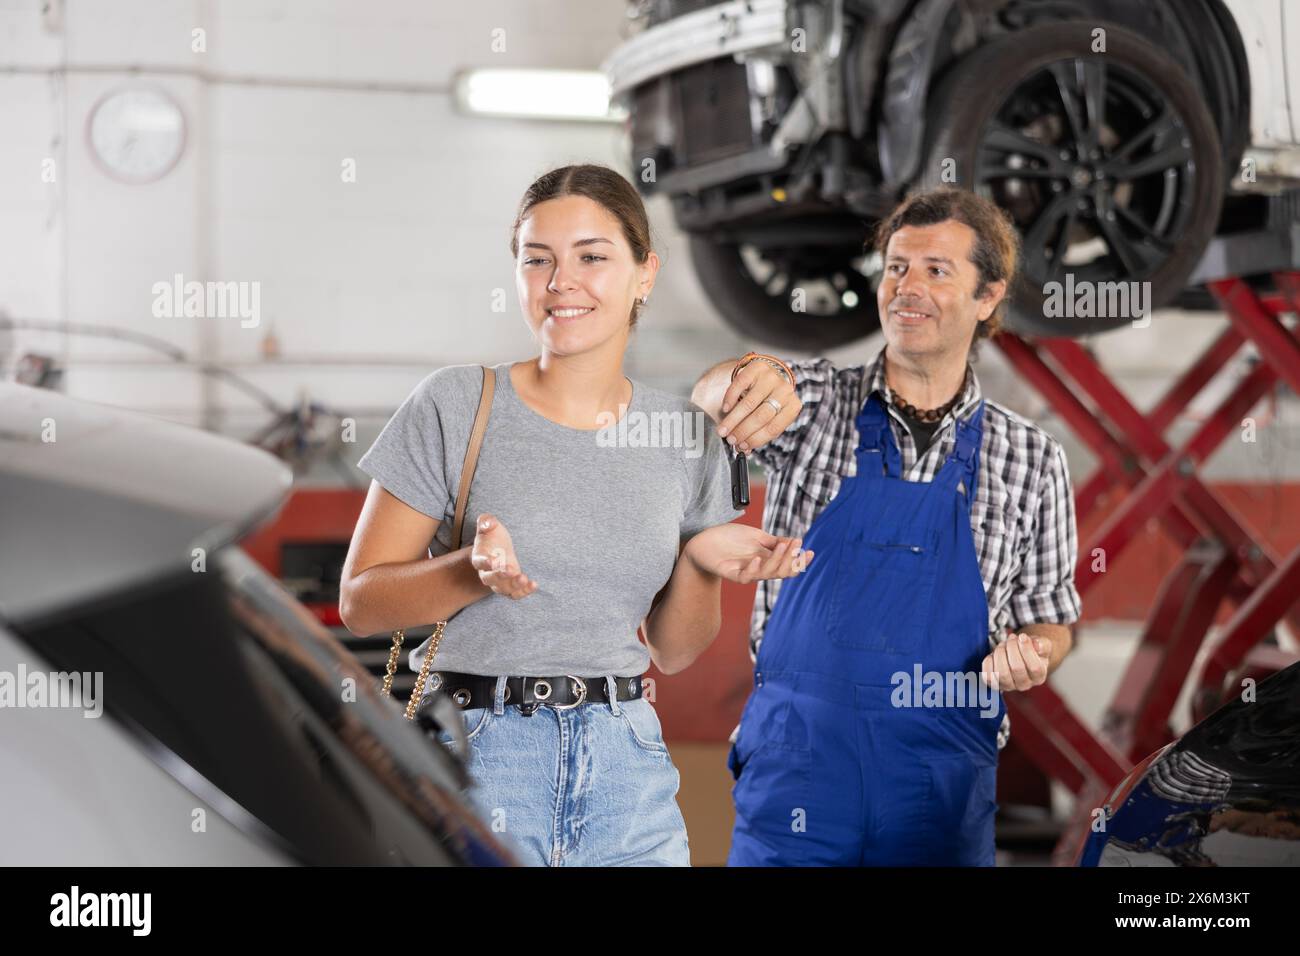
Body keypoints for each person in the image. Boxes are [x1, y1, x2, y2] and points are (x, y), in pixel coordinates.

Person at [339, 163, 812, 867]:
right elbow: (361, 603)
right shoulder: (457, 405)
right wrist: (471, 571)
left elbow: (676, 651)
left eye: (593, 256)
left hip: (628, 768)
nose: (562, 281)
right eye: (539, 260)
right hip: (478, 757)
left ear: (643, 274)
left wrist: (699, 560)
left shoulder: (685, 434)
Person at [692, 187, 1082, 866]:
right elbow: (716, 393)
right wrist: (756, 372)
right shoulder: (812, 403)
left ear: (987, 296)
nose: (907, 287)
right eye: (896, 266)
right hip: (798, 780)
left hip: (939, 796)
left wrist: (1036, 655)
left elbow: (1051, 620)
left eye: (937, 270)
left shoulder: (1032, 460)